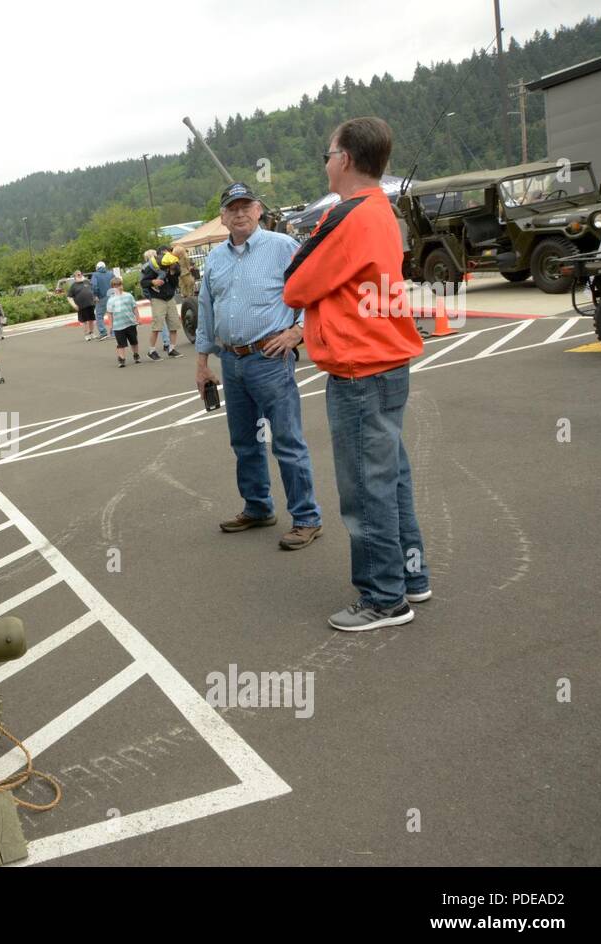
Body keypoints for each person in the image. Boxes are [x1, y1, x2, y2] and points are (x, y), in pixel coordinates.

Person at [283, 116, 428, 632]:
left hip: (358, 369)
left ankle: (384, 597)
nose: (325, 163)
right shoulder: (380, 211)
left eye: (327, 154)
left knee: (366, 489)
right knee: (391, 478)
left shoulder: (346, 215)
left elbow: (295, 284)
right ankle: (411, 575)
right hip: (387, 362)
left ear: (344, 159)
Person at [195, 182, 323, 552]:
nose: (239, 213)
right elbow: (206, 310)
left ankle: (306, 518)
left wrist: (298, 331)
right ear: (222, 216)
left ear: (258, 210)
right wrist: (203, 362)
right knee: (244, 442)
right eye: (231, 208)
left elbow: (312, 292)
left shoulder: (282, 248)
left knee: (286, 441)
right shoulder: (215, 259)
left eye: (245, 206)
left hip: (269, 359)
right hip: (231, 361)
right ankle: (258, 507)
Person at [141, 249, 183, 360]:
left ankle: (171, 349)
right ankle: (151, 351)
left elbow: (175, 284)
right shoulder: (153, 267)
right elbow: (143, 282)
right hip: (157, 299)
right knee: (157, 326)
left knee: (174, 324)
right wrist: (153, 282)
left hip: (170, 298)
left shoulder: (175, 267)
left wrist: (173, 275)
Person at [105, 276, 141, 367]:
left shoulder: (128, 296)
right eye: (115, 286)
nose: (118, 287)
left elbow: (134, 307)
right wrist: (110, 326)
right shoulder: (111, 300)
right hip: (118, 326)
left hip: (130, 323)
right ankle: (122, 359)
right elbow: (110, 314)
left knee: (134, 341)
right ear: (112, 288)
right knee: (121, 344)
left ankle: (136, 355)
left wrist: (138, 318)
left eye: (119, 285)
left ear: (122, 285)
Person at [67, 271, 98, 341]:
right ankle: (86, 335)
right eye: (78, 275)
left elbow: (93, 290)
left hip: (90, 304)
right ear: (75, 277)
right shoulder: (73, 286)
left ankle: (92, 333)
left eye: (80, 274)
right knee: (84, 321)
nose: (80, 275)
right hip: (81, 306)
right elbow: (69, 297)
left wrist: (95, 297)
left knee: (91, 320)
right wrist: (74, 305)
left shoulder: (87, 282)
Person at [91, 261, 114, 340]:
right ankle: (114, 332)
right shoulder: (111, 273)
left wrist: (95, 295)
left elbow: (94, 286)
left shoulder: (95, 275)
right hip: (111, 296)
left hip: (102, 297)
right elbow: (115, 283)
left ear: (97, 268)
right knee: (112, 314)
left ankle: (103, 332)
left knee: (99, 315)